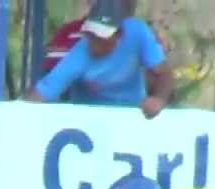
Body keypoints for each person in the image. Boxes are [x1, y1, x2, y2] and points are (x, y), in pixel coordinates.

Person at [26, 0, 171, 118]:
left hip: (132, 114)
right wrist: (19, 112)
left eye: (101, 36)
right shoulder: (80, 52)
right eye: (91, 34)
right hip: (91, 118)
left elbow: (164, 73)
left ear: (118, 35)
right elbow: (43, 91)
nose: (94, 43)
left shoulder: (138, 33)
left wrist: (159, 99)